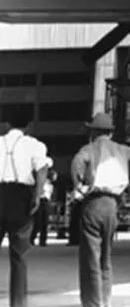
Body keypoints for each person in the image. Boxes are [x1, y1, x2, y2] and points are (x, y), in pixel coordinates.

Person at [71, 110, 130, 307]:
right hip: (113, 206)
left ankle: (93, 303)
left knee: (91, 257)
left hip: (93, 203)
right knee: (106, 257)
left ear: (93, 132)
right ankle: (105, 301)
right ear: (110, 133)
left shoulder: (89, 149)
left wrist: (79, 186)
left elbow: (76, 164)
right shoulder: (123, 150)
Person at [0, 107, 49, 307]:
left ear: (7, 124)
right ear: (28, 125)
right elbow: (42, 169)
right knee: (19, 254)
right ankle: (18, 304)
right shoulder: (35, 145)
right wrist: (37, 196)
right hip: (21, 198)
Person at [31, 162, 55, 246]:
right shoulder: (38, 178)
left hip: (46, 200)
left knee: (45, 221)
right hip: (40, 199)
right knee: (37, 221)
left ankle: (43, 240)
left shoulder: (49, 181)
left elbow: (54, 177)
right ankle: (32, 238)